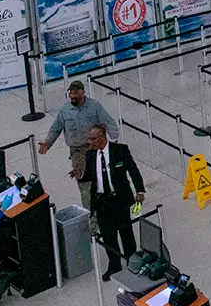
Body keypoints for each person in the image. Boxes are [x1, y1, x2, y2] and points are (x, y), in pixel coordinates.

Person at [38, 80, 121, 209]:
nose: (73, 96)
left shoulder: (94, 106)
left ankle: (111, 205)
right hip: (77, 153)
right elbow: (55, 128)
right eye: (71, 93)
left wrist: (114, 141)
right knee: (85, 185)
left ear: (83, 92)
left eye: (76, 93)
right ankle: (91, 216)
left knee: (103, 178)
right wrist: (47, 143)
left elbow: (108, 122)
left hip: (94, 149)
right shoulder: (65, 110)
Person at [84, 123, 143, 278]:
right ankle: (114, 264)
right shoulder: (90, 155)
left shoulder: (120, 150)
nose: (90, 142)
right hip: (101, 201)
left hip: (120, 199)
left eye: (93, 139)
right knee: (108, 235)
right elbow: (90, 178)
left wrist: (140, 190)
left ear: (102, 137)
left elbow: (133, 170)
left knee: (126, 232)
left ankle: (131, 260)